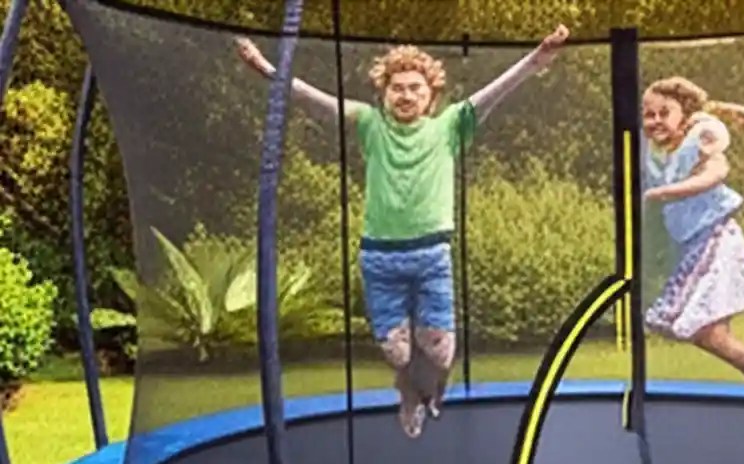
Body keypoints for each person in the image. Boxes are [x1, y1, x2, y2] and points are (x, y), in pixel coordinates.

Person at [236, 27, 571, 438]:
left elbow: (497, 90)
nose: (406, 95)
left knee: (440, 350)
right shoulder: (369, 124)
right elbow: (312, 99)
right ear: (384, 94)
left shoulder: (450, 126)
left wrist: (538, 57)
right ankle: (409, 391)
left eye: (415, 88)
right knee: (397, 351)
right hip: (380, 258)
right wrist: (267, 68)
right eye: (397, 88)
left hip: (431, 257)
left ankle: (426, 388)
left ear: (432, 96)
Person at [640, 76, 744, 432]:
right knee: (705, 333)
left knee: (698, 329)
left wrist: (666, 193)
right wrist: (728, 108)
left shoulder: (700, 140)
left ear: (682, 115)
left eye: (664, 113)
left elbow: (717, 171)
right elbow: (700, 108)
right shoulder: (659, 151)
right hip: (693, 246)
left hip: (715, 240)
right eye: (649, 114)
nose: (655, 120)